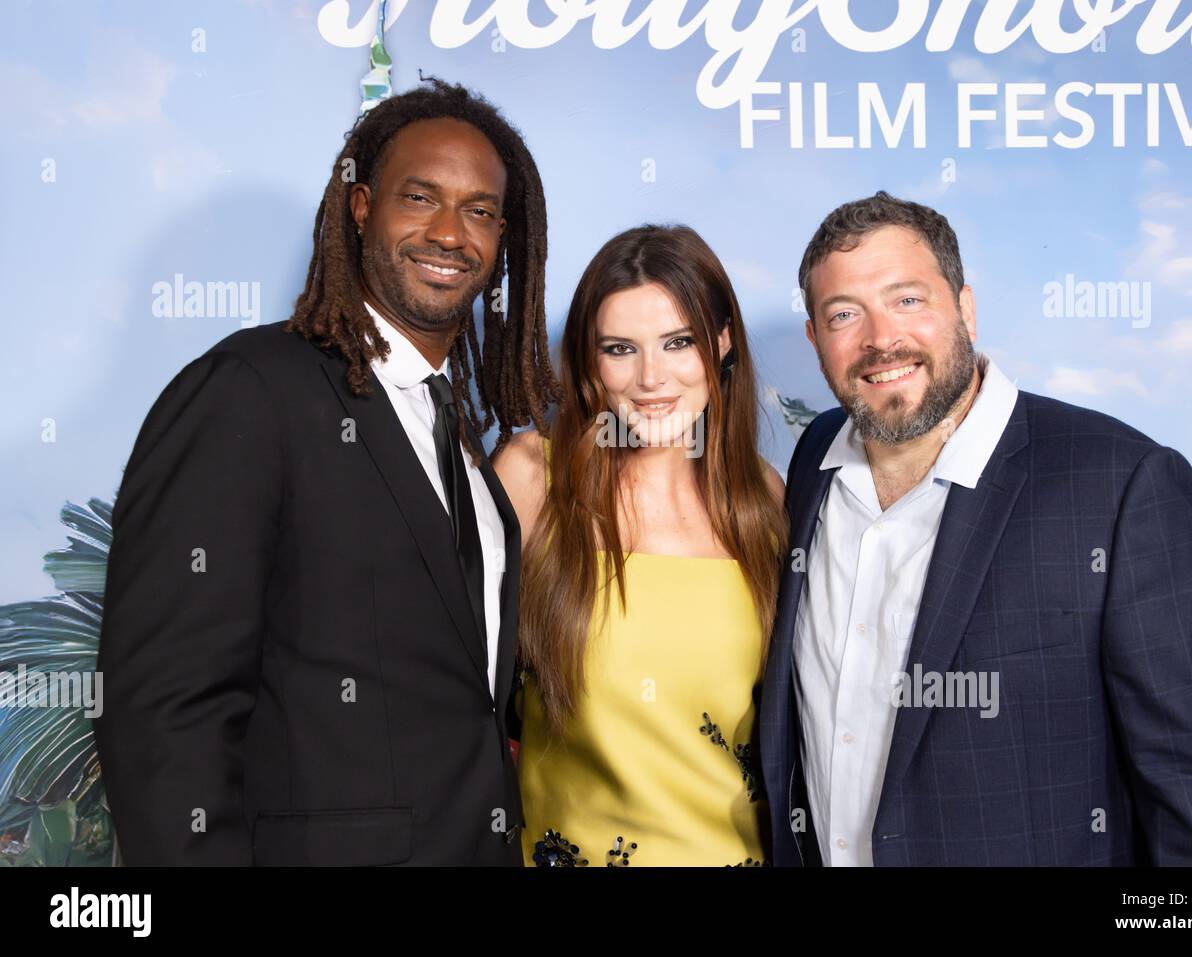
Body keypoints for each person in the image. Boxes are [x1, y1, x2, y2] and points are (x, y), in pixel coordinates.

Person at [93, 79, 560, 865]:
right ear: (360, 207)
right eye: (421, 198)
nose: (451, 232)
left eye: (479, 209)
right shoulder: (249, 391)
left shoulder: (466, 442)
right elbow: (164, 711)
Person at [759, 191, 1192, 866]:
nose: (881, 337)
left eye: (907, 299)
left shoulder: (1121, 486)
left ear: (965, 307)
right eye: (844, 314)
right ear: (815, 339)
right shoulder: (812, 466)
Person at [493, 225, 788, 866]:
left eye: (678, 342)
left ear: (722, 341)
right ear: (589, 361)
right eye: (621, 348)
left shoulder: (766, 503)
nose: (651, 377)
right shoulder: (532, 479)